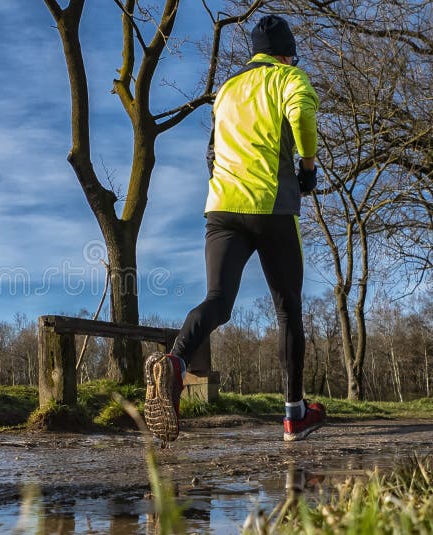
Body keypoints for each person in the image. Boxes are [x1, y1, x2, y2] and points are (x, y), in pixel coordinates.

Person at [145, 15, 325, 443]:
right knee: (288, 310)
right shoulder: (289, 77)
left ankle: (175, 362)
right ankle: (294, 415)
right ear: (286, 53)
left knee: (218, 300)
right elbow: (301, 113)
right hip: (272, 208)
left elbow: (211, 151)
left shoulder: (226, 89)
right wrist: (307, 165)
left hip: (221, 207)